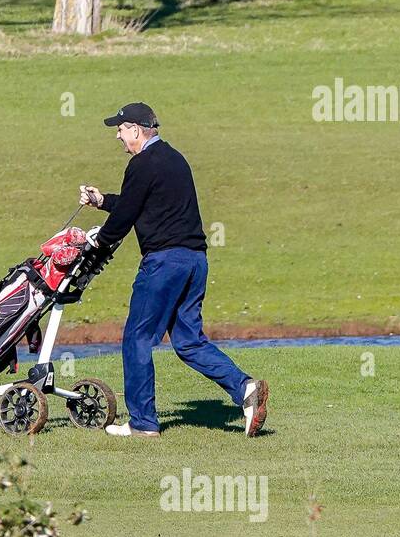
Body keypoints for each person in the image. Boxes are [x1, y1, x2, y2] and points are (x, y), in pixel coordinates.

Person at [79, 102, 269, 438]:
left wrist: (97, 244)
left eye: (121, 130)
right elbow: (137, 202)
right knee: (188, 341)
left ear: (136, 130)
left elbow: (126, 218)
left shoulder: (142, 164)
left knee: (136, 338)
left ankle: (142, 423)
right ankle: (245, 389)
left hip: (164, 263)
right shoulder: (173, 158)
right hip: (195, 262)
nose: (119, 137)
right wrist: (102, 201)